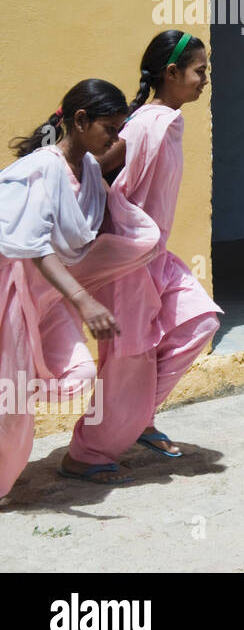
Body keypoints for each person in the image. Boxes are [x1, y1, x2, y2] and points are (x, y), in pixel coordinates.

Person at [63, 31, 222, 481]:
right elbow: (114, 189)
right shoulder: (150, 125)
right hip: (129, 262)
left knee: (199, 321)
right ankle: (86, 454)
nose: (204, 79)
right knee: (128, 358)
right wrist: (115, 254)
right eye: (199, 71)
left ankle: (136, 418)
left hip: (155, 256)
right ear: (171, 74)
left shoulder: (164, 120)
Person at [0, 80, 160, 493]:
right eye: (109, 128)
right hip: (15, 294)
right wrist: (84, 300)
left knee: (80, 370)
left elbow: (108, 220)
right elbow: (32, 246)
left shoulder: (89, 170)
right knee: (12, 403)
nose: (115, 138)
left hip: (48, 298)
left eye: (120, 128)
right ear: (80, 120)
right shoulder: (39, 169)